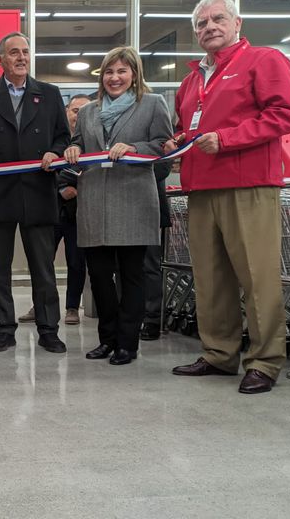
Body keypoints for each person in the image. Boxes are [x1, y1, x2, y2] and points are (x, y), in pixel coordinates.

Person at [168, 0, 290, 393]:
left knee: (257, 278)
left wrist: (226, 139)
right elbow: (190, 126)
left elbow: (286, 114)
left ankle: (264, 360)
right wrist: (179, 142)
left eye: (217, 19)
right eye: (201, 23)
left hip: (248, 185)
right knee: (210, 279)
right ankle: (219, 353)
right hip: (200, 187)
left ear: (237, 22)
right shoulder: (192, 80)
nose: (209, 27)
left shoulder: (264, 60)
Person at [0, 32, 70, 354]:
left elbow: (63, 137)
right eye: (14, 53)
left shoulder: (49, 95)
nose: (21, 57)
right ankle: (5, 329)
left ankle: (49, 329)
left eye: (25, 52)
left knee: (44, 269)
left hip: (38, 191)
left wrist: (55, 153)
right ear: (0, 59)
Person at [64, 46, 173, 365]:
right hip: (95, 199)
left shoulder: (153, 104)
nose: (115, 78)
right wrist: (73, 150)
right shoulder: (88, 111)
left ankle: (128, 342)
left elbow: (162, 147)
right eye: (109, 72)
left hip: (133, 199)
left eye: (122, 71)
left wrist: (135, 147)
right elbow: (80, 143)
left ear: (134, 74)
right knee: (98, 276)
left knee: (132, 275)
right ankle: (107, 339)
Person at [19, 93, 90, 326]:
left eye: (84, 111)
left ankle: (71, 307)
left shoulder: (92, 139)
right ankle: (38, 305)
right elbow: (43, 165)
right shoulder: (55, 137)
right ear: (67, 111)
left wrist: (79, 189)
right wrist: (61, 187)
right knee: (42, 261)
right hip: (51, 208)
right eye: (75, 110)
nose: (78, 115)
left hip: (80, 212)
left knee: (76, 262)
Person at [139, 162, 173, 341]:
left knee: (149, 265)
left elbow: (163, 166)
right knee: (121, 267)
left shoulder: (156, 135)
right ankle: (130, 315)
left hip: (148, 205)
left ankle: (152, 318)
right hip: (120, 205)